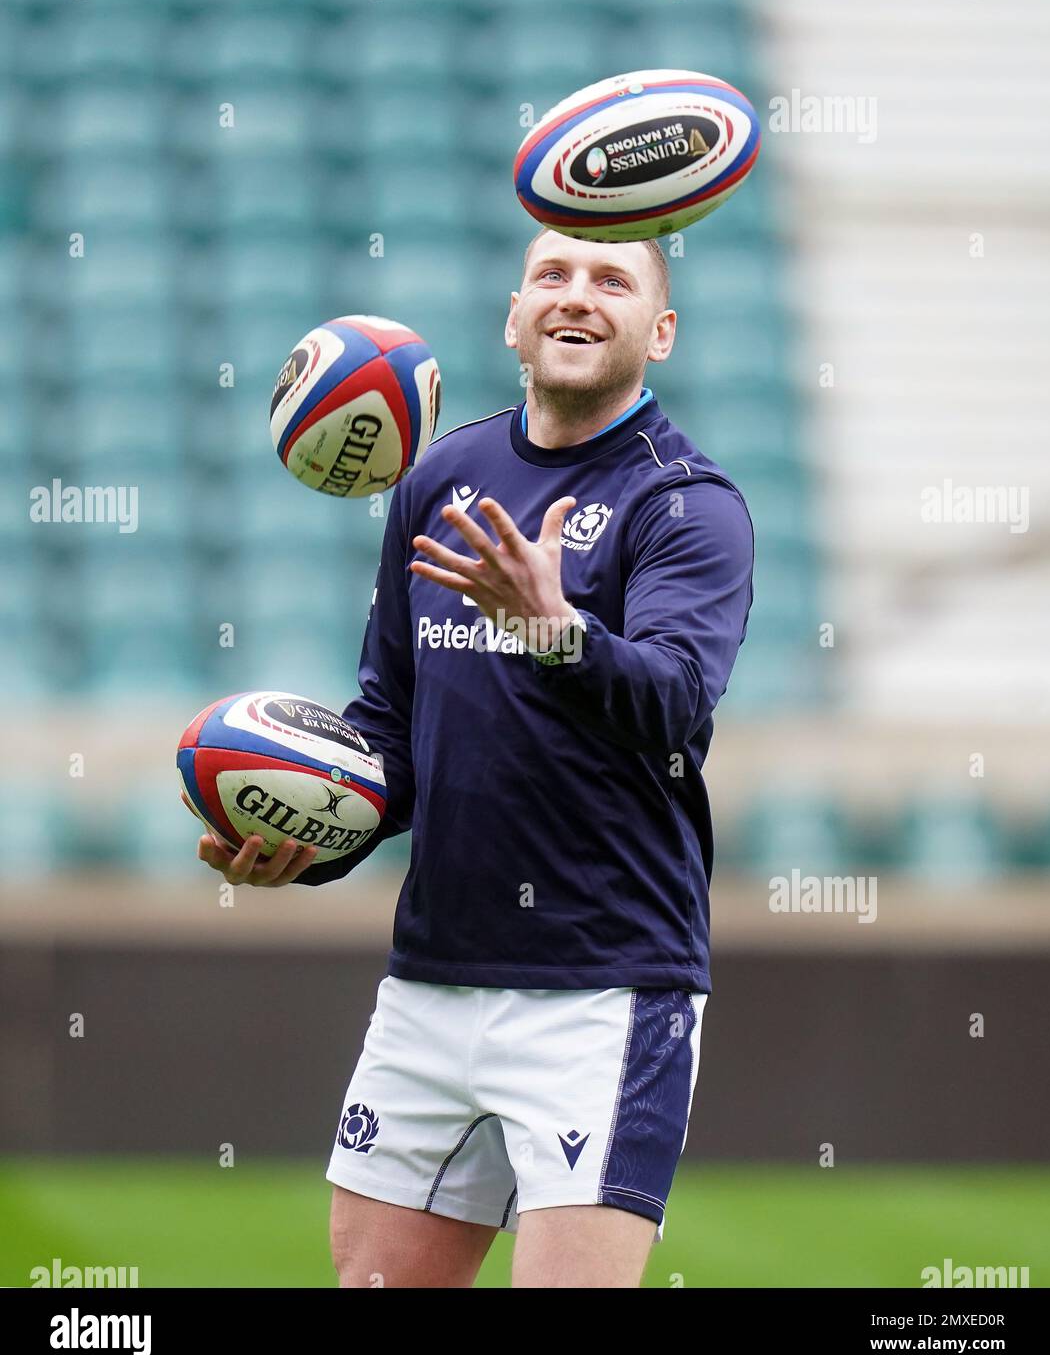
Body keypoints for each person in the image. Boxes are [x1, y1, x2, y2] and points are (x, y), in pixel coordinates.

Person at [189, 228, 755, 1288]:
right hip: (435, 977)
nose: (575, 297)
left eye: (611, 282)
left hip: (602, 986)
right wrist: (307, 836)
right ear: (513, 315)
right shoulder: (435, 477)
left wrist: (551, 628)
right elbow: (392, 733)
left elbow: (674, 703)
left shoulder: (688, 504)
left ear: (660, 330)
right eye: (552, 276)